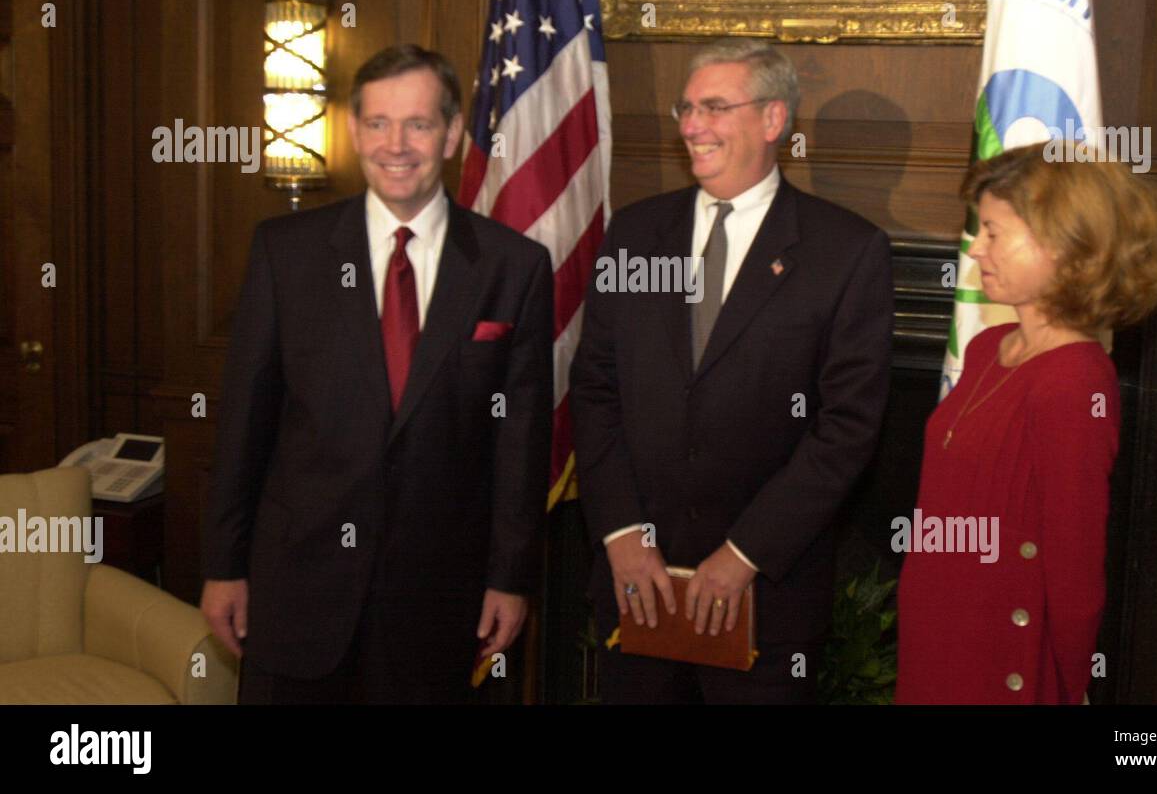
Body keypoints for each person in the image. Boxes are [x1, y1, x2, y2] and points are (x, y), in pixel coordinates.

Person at [200, 44, 553, 704]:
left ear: (450, 135)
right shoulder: (285, 254)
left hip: (439, 603)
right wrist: (224, 566)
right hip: (297, 592)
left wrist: (510, 577)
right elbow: (244, 427)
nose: (397, 144)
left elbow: (520, 444)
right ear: (355, 131)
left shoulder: (515, 267)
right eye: (378, 123)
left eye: (418, 123)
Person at [570, 39, 893, 703]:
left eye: (714, 107)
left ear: (773, 121)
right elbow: (595, 390)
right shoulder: (633, 234)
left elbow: (846, 429)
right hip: (639, 591)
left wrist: (744, 553)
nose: (690, 126)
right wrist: (624, 534)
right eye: (685, 107)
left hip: (766, 605)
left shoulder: (846, 252)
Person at [895, 141, 1157, 704]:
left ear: (1066, 248)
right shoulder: (989, 346)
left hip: (1001, 657)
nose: (975, 249)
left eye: (994, 232)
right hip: (941, 631)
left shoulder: (1075, 381)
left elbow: (1074, 567)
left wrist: (1071, 685)